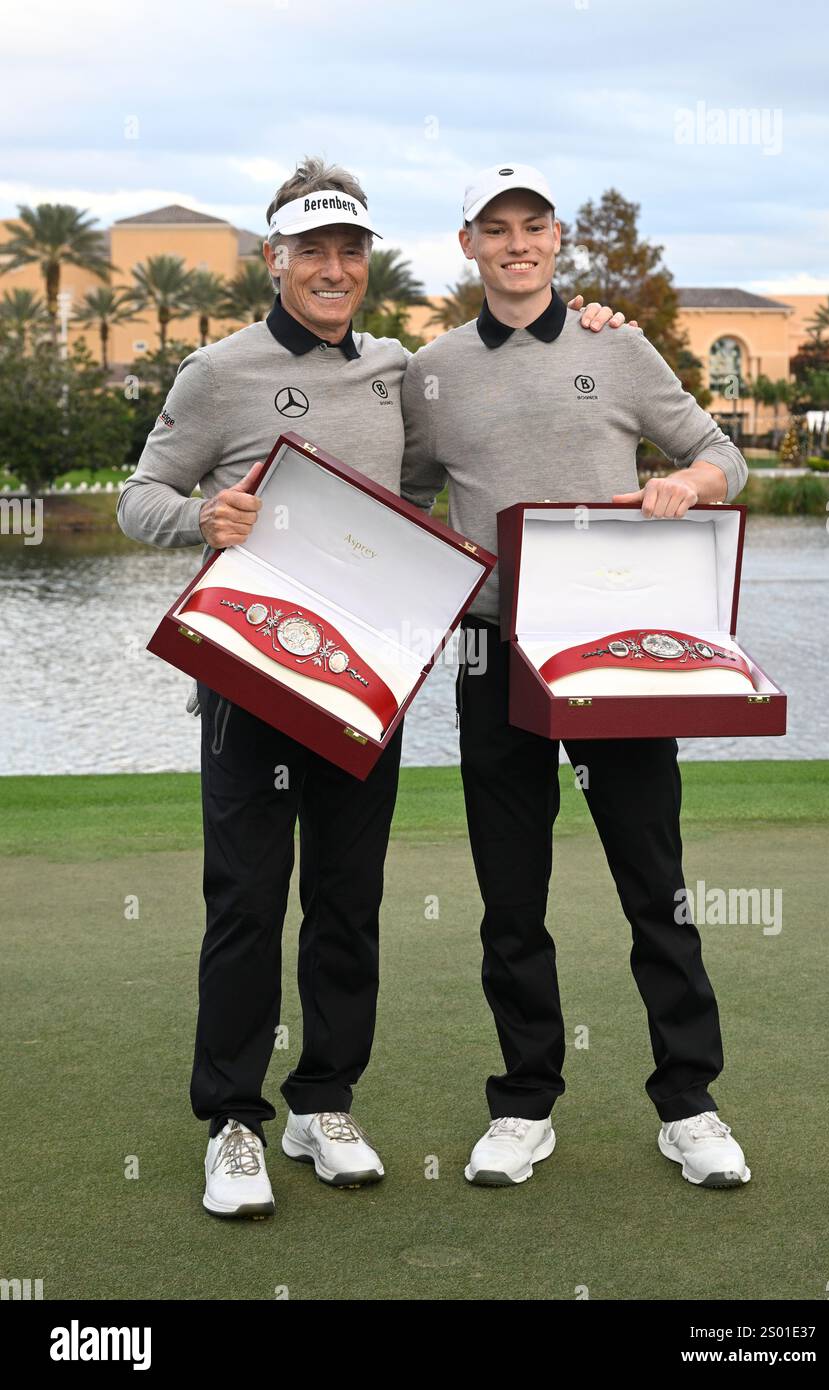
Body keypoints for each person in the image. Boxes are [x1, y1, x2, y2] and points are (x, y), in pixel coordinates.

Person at [117, 155, 627, 1218]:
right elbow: (141, 496)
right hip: (250, 674)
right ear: (276, 259)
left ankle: (322, 1100)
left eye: (351, 250)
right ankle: (232, 1121)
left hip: (368, 674)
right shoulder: (217, 372)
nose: (335, 268)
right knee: (248, 902)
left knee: (349, 901)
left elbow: (483, 408)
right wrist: (197, 522)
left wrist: (597, 327)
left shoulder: (401, 370)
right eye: (314, 251)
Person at [401, 163, 753, 1190]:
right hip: (491, 653)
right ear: (466, 242)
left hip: (617, 648)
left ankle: (688, 1101)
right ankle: (523, 1102)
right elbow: (398, 493)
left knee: (654, 884)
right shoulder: (432, 370)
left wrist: (680, 485)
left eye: (533, 226)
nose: (516, 244)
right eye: (494, 228)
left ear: (557, 240)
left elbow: (720, 456)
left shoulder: (617, 343)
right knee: (511, 895)